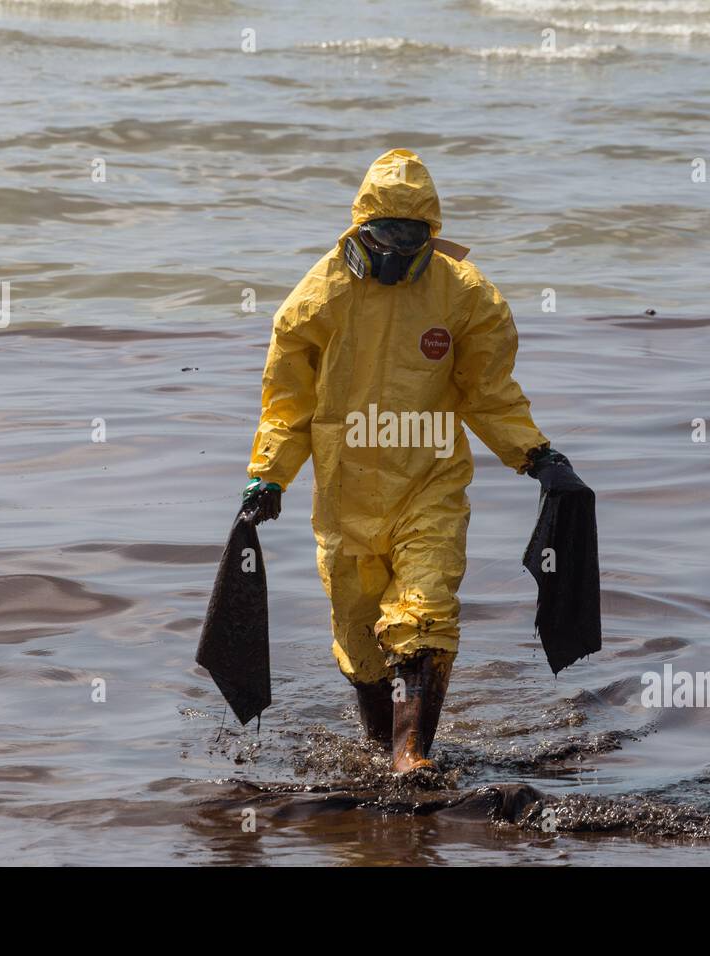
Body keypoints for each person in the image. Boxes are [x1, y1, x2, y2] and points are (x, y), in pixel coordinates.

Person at [241, 148, 563, 775]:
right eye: (385, 234)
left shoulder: (465, 295)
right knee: (361, 641)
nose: (395, 250)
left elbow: (488, 391)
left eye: (411, 236)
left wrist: (536, 454)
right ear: (362, 229)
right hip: (346, 494)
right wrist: (268, 476)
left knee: (426, 612)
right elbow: (287, 405)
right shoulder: (317, 298)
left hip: (429, 482)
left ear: (430, 236)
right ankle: (383, 751)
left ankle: (411, 753)